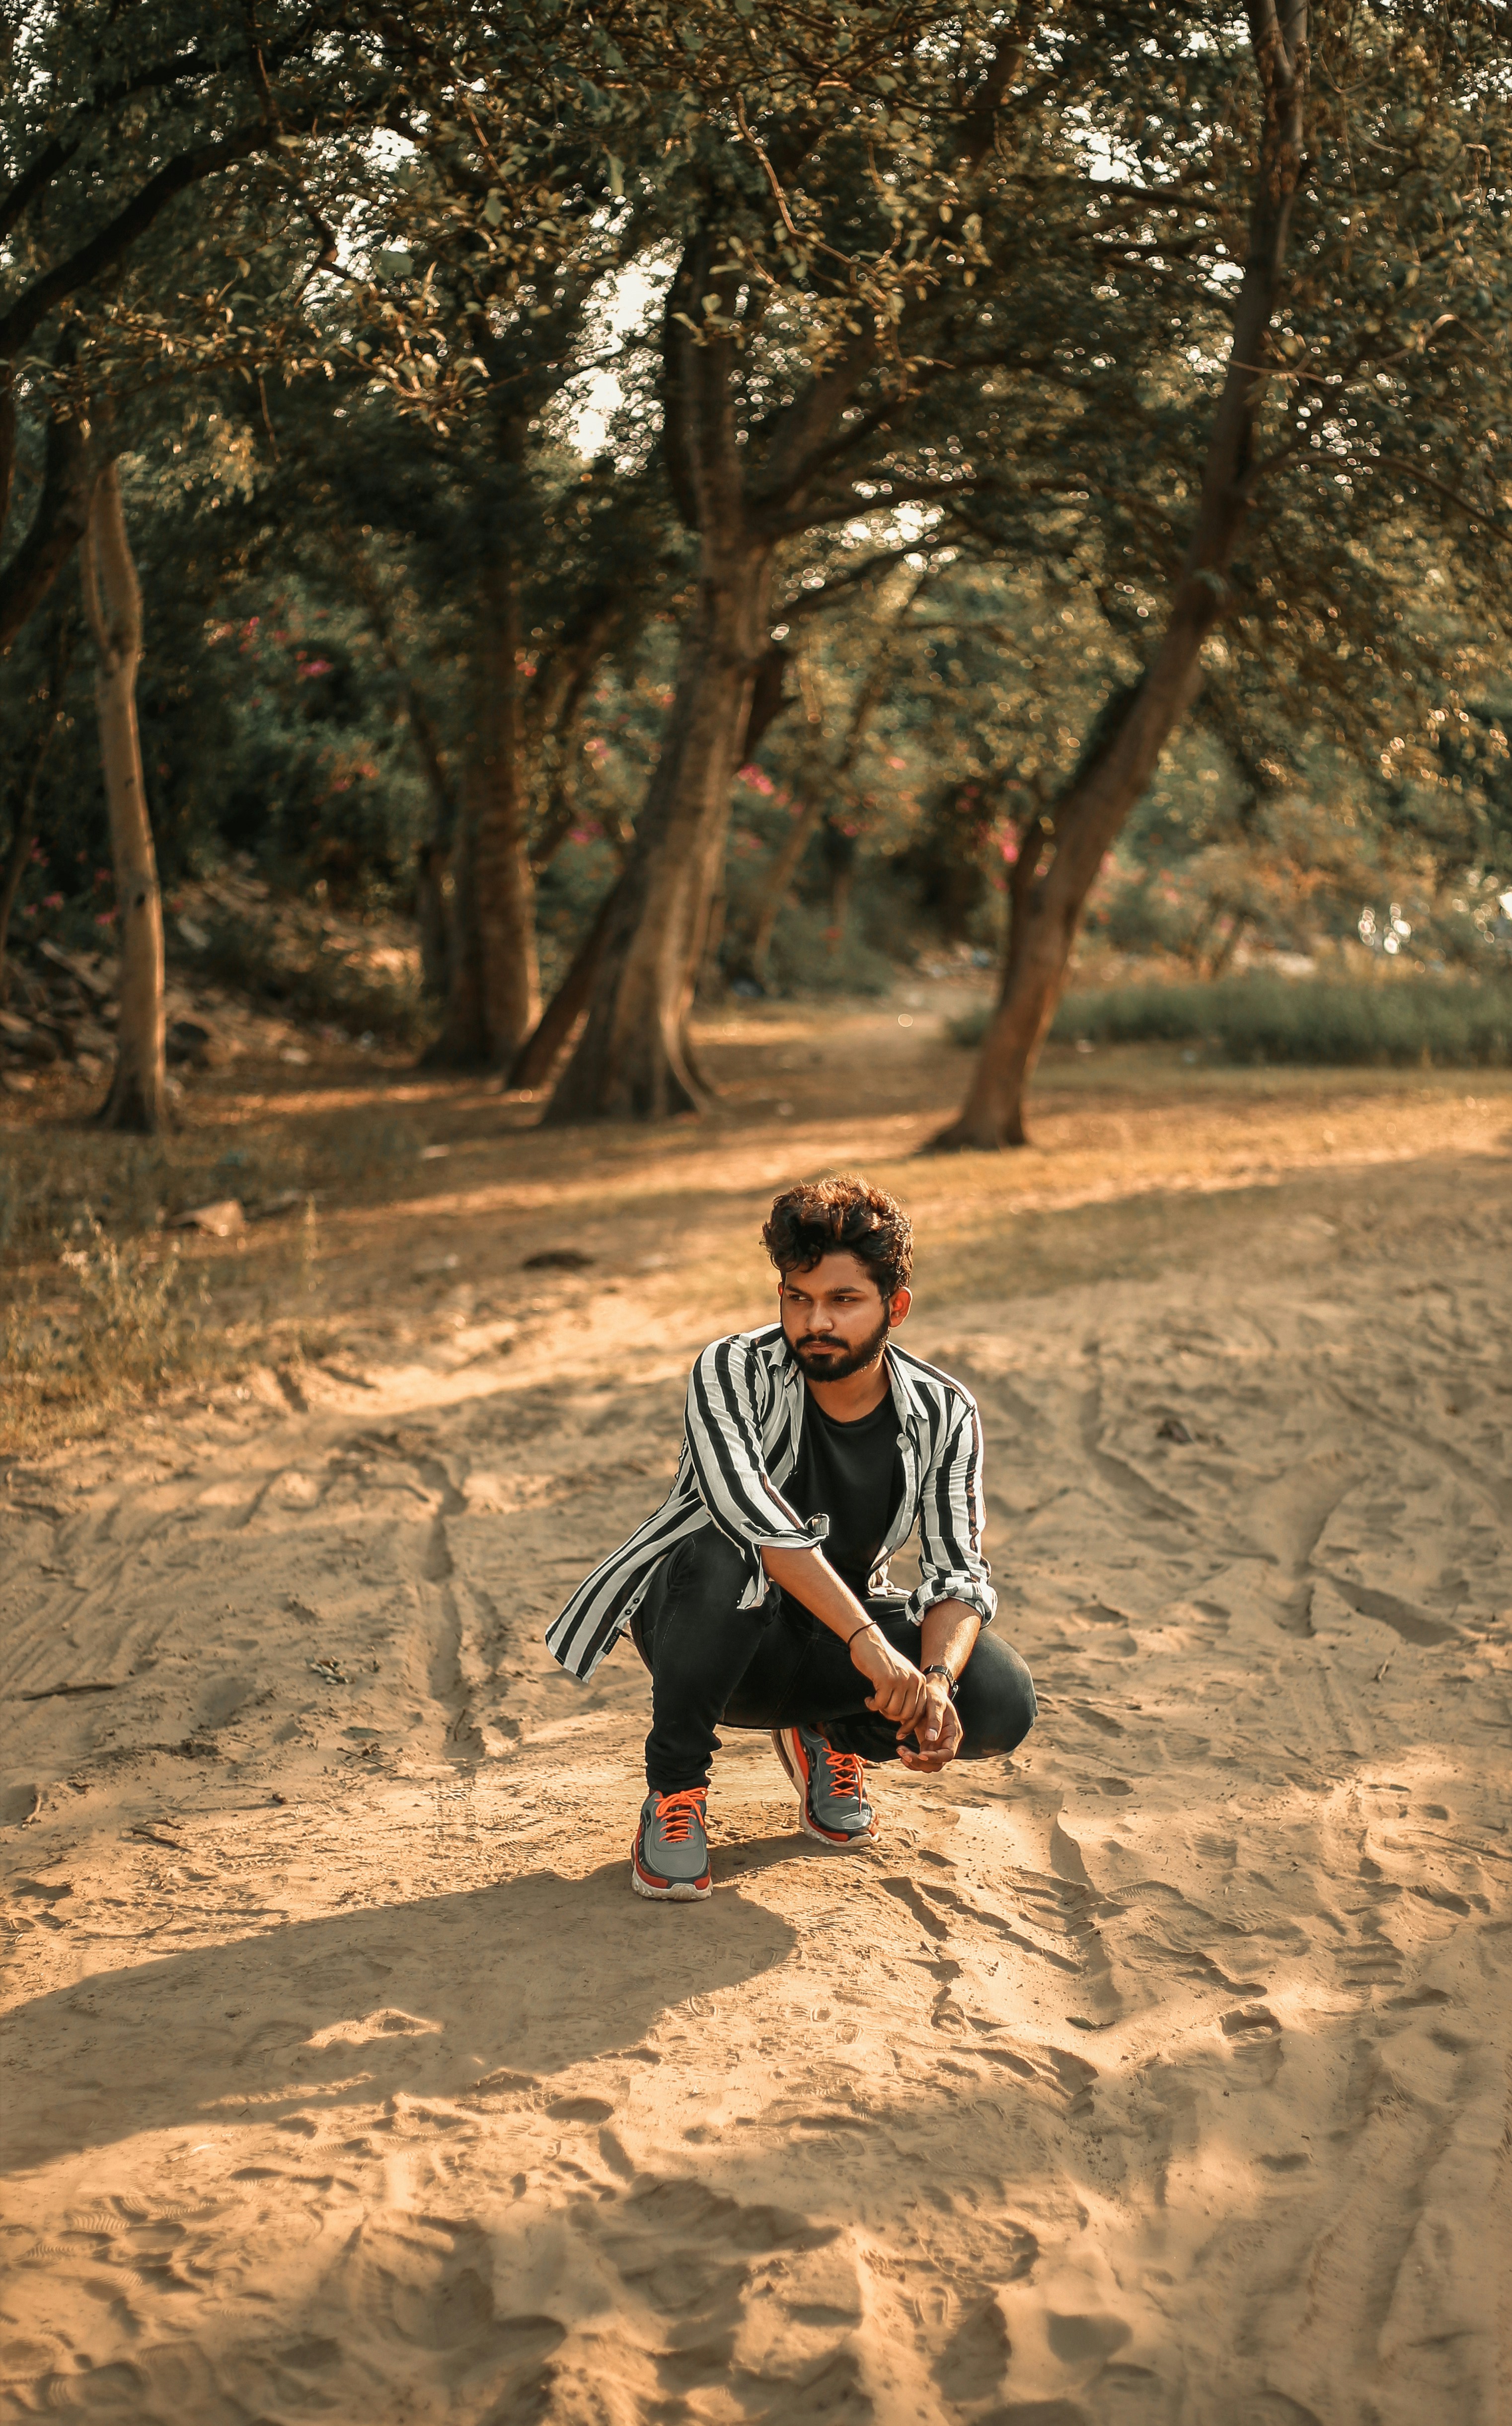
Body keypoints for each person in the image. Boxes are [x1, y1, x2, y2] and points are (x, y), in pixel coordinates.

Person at [546, 1175, 1037, 1901]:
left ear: (893, 1307)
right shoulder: (731, 1371)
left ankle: (833, 1737)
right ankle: (676, 1794)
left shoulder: (943, 1412)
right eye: (797, 1298)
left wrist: (931, 1684)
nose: (815, 1322)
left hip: (833, 1646)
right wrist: (871, 1648)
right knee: (724, 1555)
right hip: (710, 1632)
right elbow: (761, 1527)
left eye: (843, 1301)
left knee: (999, 1698)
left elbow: (958, 1572)